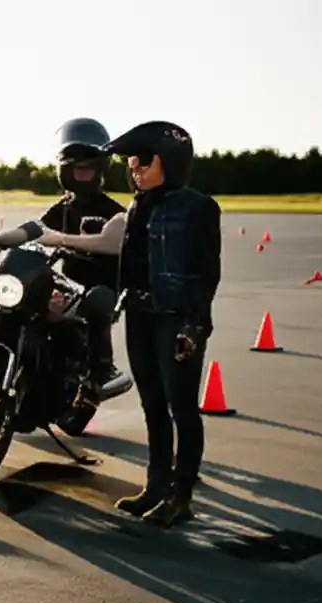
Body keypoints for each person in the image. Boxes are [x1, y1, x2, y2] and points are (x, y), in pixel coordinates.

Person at [101, 120, 222, 527]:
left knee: (182, 408)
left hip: (176, 321)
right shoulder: (138, 206)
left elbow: (206, 275)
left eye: (141, 161)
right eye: (130, 163)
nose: (133, 168)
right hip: (140, 316)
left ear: (168, 161)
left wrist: (193, 326)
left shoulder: (198, 207)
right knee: (152, 404)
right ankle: (156, 486)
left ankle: (182, 495)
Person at [40, 118, 130, 393]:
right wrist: (2, 241)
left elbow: (113, 243)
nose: (82, 172)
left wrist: (63, 240)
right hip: (66, 283)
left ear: (100, 168)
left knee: (98, 300)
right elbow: (37, 231)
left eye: (88, 167)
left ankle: (103, 369)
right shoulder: (61, 209)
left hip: (103, 284)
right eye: (76, 168)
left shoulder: (115, 211)